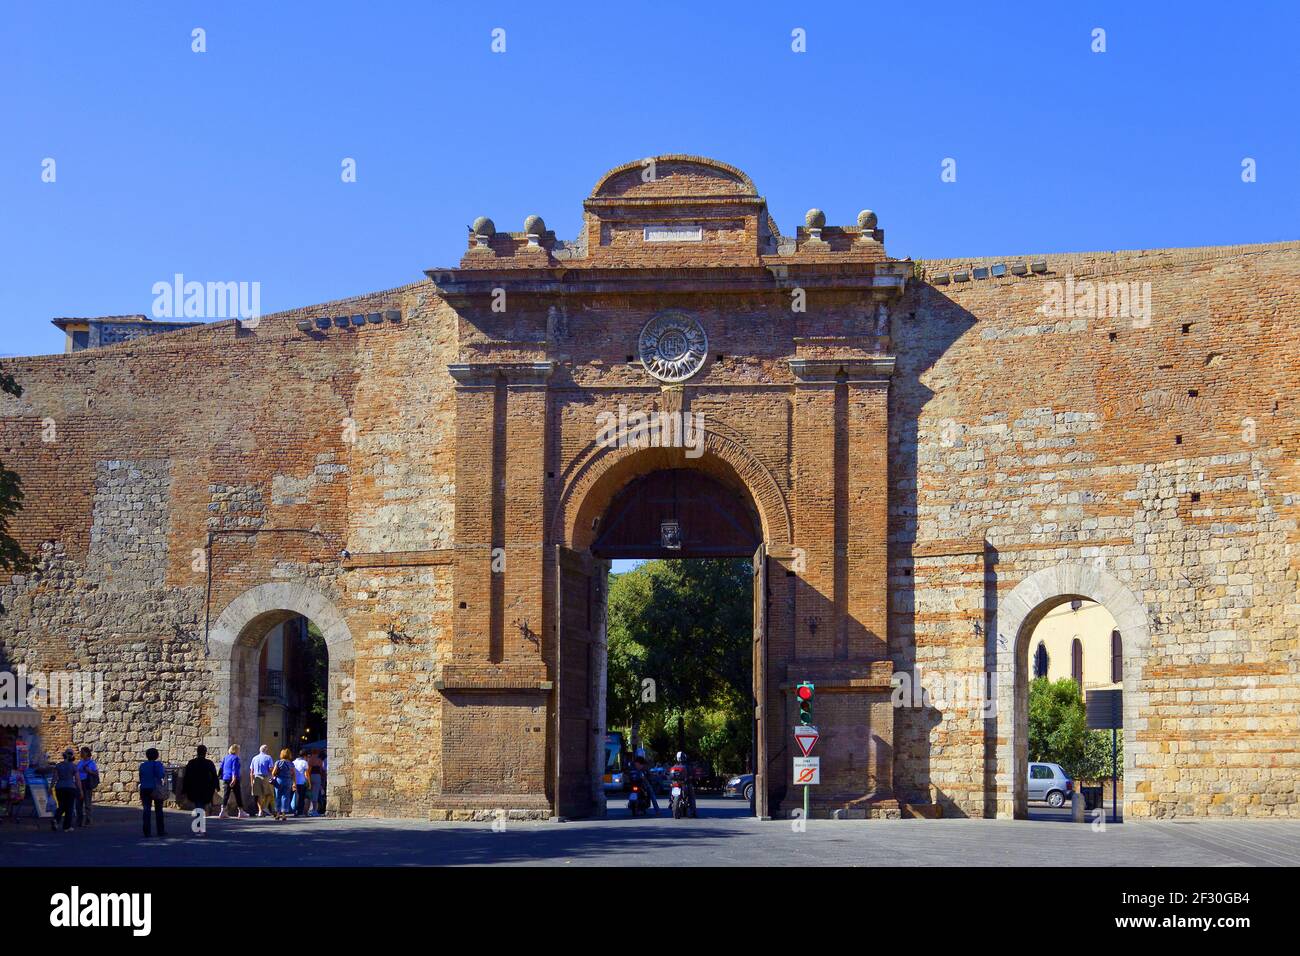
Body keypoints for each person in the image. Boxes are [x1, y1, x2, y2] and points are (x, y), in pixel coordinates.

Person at [182, 745, 219, 826]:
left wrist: (184, 789)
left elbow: (186, 777)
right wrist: (217, 786)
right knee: (200, 806)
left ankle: (199, 825)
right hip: (206, 789)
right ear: (205, 753)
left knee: (199, 805)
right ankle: (200, 826)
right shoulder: (209, 763)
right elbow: (214, 776)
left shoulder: (191, 763)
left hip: (194, 788)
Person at [139, 747, 167, 837]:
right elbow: (161, 775)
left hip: (144, 788)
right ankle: (160, 831)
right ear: (156, 755)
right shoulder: (158, 765)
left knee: (146, 810)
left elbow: (141, 776)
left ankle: (147, 831)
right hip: (155, 788)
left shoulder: (142, 765)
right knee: (159, 810)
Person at [52, 748, 82, 832]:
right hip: (70, 788)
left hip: (59, 787)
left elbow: (54, 778)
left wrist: (51, 787)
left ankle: (56, 819)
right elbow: (77, 779)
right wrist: (80, 790)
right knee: (69, 807)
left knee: (61, 805)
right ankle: (67, 826)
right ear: (72, 756)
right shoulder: (73, 766)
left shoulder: (58, 765)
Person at [217, 744, 248, 819]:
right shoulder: (235, 758)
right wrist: (234, 779)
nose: (239, 751)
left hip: (226, 778)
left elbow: (221, 767)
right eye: (238, 749)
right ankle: (241, 812)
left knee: (226, 795)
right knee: (238, 795)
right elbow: (234, 769)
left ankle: (222, 811)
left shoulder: (226, 757)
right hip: (233, 778)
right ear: (236, 750)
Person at [75, 746, 99, 827]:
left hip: (86, 783)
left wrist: (89, 771)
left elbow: (96, 773)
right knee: (78, 804)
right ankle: (79, 820)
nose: (81, 753)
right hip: (79, 783)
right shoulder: (80, 762)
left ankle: (88, 821)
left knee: (87, 803)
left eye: (82, 752)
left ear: (87, 753)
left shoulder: (92, 763)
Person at [248, 744, 274, 817]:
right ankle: (265, 807)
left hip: (256, 777)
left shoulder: (254, 758)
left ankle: (260, 811)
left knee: (259, 795)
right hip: (265, 777)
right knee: (270, 793)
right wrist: (273, 776)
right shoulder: (268, 757)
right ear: (266, 750)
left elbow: (251, 771)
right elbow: (271, 769)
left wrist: (251, 781)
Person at [271, 748, 295, 821]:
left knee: (278, 796)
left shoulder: (278, 762)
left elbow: (273, 773)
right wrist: (294, 783)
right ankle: (284, 814)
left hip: (279, 780)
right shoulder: (291, 764)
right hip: (288, 781)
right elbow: (293, 774)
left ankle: (278, 814)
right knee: (285, 797)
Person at [292, 749, 311, 817]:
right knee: (301, 798)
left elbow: (292, 773)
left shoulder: (293, 762)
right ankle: (300, 812)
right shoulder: (304, 762)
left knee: (295, 797)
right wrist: (309, 782)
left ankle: (295, 811)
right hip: (302, 782)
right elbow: (306, 774)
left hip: (295, 782)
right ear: (305, 756)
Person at [307, 749, 324, 816]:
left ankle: (309, 809)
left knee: (309, 793)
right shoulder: (319, 760)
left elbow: (308, 769)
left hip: (310, 776)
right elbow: (321, 769)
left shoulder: (310, 759)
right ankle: (314, 810)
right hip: (317, 776)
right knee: (315, 793)